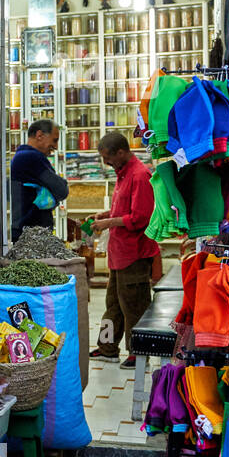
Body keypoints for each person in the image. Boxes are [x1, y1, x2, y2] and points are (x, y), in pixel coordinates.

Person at [89, 131, 160, 370]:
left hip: (135, 254)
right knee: (113, 304)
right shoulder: (122, 174)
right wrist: (104, 215)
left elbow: (140, 217)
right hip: (119, 254)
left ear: (121, 152)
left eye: (108, 157)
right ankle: (108, 348)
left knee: (135, 306)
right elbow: (122, 210)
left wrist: (108, 223)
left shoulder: (140, 175)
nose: (106, 163)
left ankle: (138, 354)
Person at [9, 120, 68, 242]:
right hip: (32, 234)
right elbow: (62, 190)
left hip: (25, 230)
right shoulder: (31, 157)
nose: (56, 147)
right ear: (39, 135)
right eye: (54, 140)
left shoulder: (22, 155)